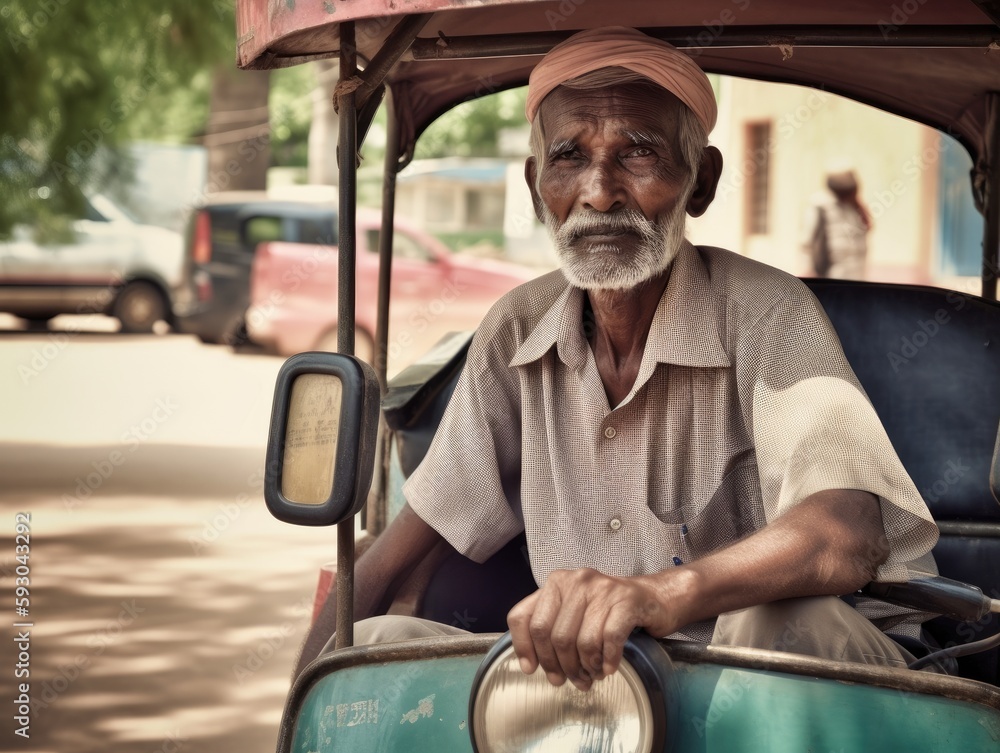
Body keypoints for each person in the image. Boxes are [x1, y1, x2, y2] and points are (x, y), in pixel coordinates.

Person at [293, 27, 939, 689]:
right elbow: (399, 552)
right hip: (620, 691)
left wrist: (662, 593)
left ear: (701, 182)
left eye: (637, 153)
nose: (600, 192)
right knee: (375, 644)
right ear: (536, 183)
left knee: (764, 623)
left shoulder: (765, 313)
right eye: (569, 156)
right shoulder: (516, 328)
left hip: (812, 683)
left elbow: (846, 530)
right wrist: (307, 693)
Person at [804, 169, 872, 279]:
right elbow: (807, 244)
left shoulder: (854, 208)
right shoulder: (820, 207)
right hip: (831, 278)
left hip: (856, 277)